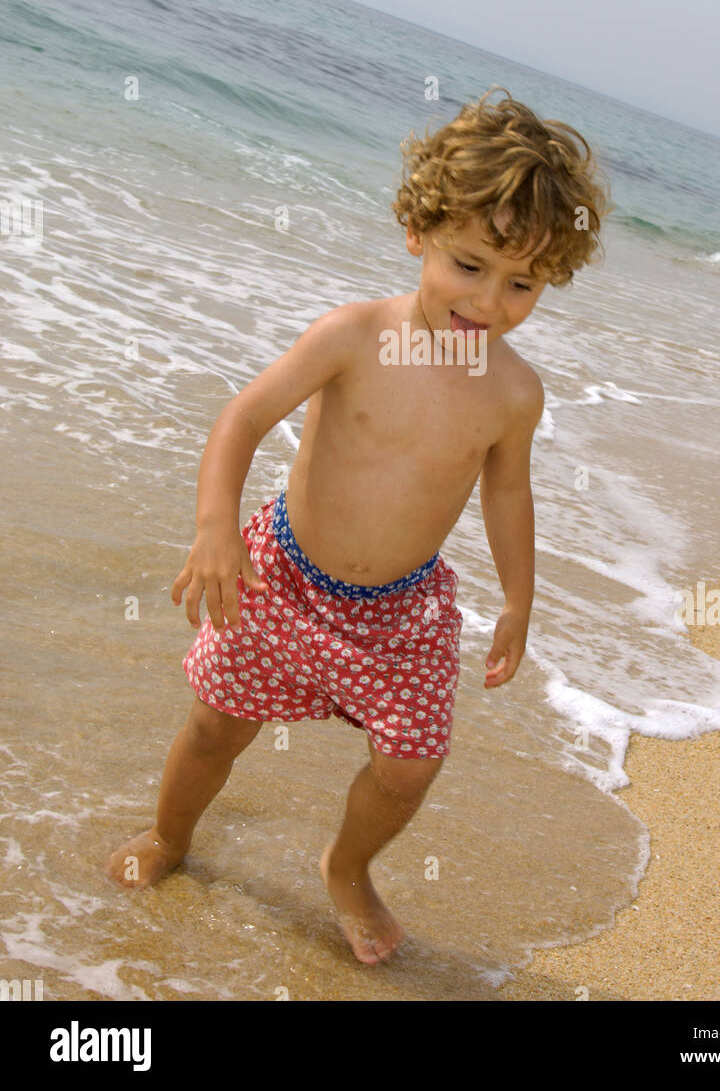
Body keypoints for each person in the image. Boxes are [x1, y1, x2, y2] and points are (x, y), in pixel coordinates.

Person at [104, 86, 609, 965]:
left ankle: (347, 863)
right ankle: (171, 837)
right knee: (217, 728)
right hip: (281, 578)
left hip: (401, 613)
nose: (487, 303)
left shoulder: (513, 393)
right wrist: (216, 525)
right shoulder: (352, 338)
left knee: (411, 765)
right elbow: (243, 419)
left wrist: (519, 601)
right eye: (468, 265)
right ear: (419, 231)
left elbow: (506, 495)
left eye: (521, 283)